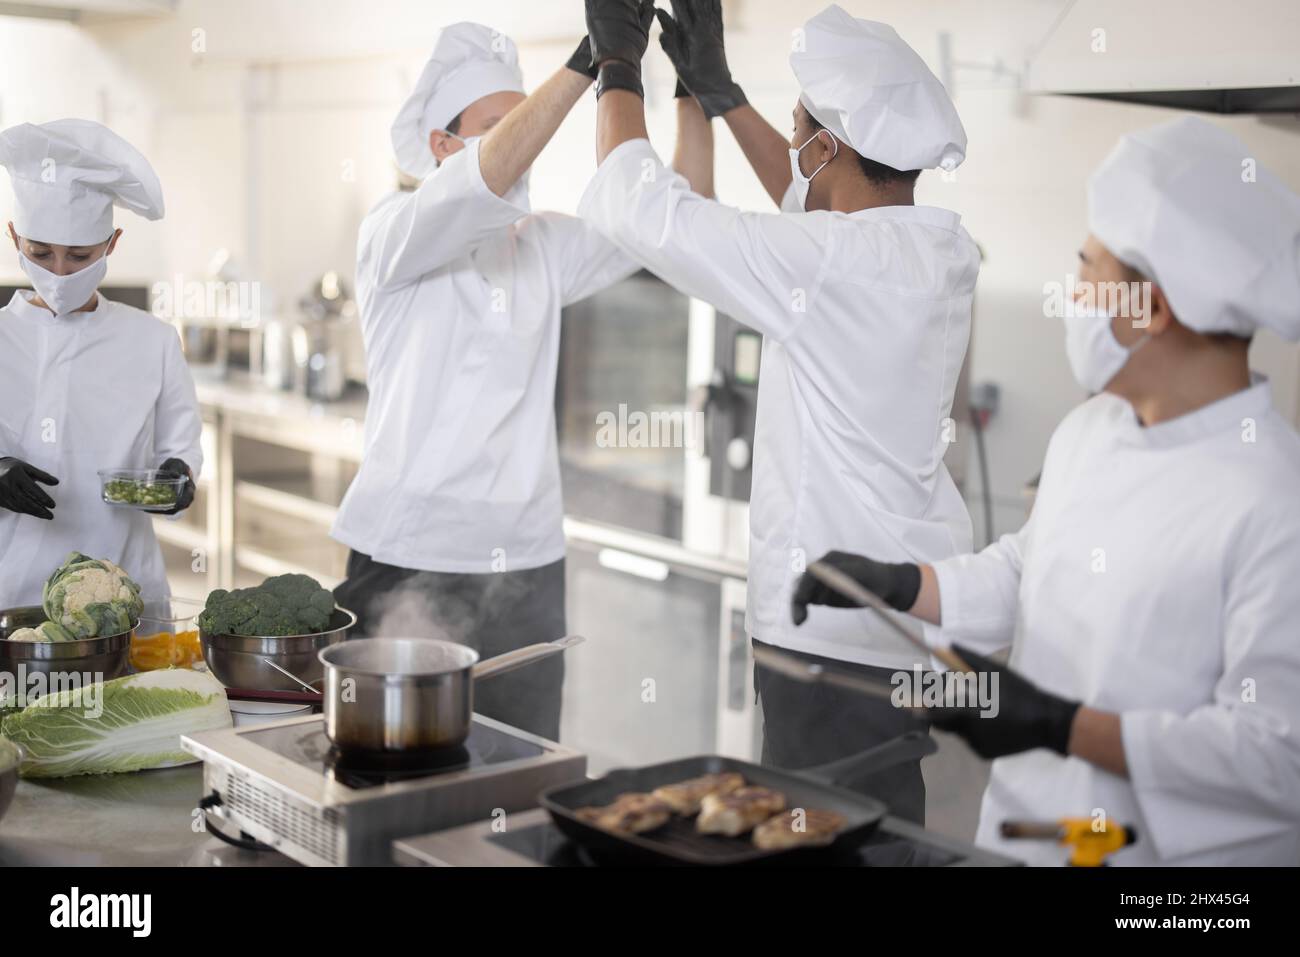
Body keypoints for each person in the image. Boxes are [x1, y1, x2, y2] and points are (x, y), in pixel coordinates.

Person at [793, 116, 1300, 865]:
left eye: (1087, 267)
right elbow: (1031, 571)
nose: (1073, 290)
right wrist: (901, 585)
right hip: (1028, 842)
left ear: (1150, 308)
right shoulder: (1093, 430)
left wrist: (1060, 724)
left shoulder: (1274, 501)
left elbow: (1276, 755)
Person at [578, 0, 978, 821]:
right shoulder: (935, 249)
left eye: (800, 129)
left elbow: (635, 208)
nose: (791, 144)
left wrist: (619, 66)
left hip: (827, 643)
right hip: (895, 628)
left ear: (827, 145)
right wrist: (719, 94)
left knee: (816, 841)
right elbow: (814, 209)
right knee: (880, 826)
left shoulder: (836, 265)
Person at [331, 13, 705, 742]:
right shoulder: (394, 232)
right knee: (382, 771)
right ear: (443, 144)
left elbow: (673, 216)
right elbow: (479, 183)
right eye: (500, 125)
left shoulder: (543, 247)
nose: (521, 142)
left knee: (517, 778)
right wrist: (589, 61)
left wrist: (692, 89)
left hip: (527, 569)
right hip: (408, 556)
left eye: (520, 121)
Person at [0, 119, 200, 607]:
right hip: (10, 592)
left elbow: (181, 454)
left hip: (127, 591)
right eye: (40, 252)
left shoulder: (153, 341)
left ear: (111, 243)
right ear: (13, 237)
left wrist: (178, 477)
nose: (60, 272)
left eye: (79, 255)